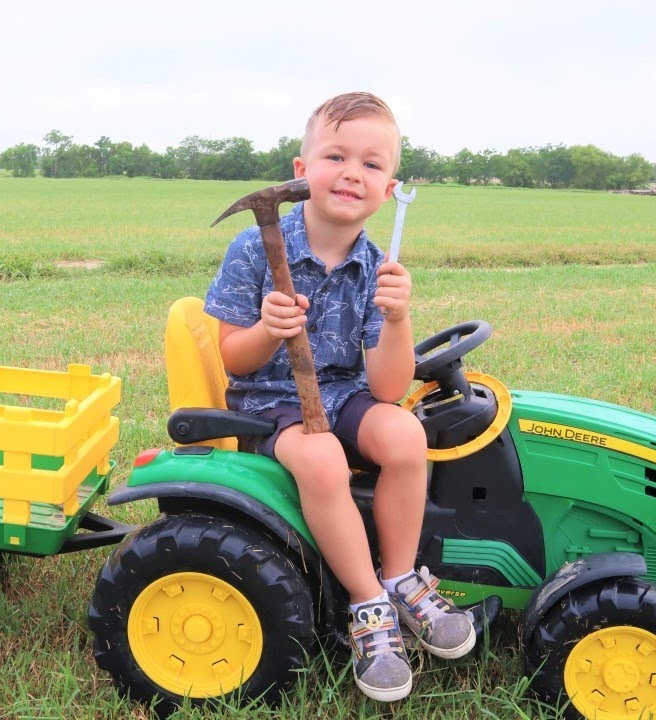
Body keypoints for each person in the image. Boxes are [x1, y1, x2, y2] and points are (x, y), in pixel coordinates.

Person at [204, 92, 477, 703]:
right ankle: (368, 604)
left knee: (406, 433)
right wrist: (265, 331)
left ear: (389, 189)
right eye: (335, 155)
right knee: (323, 457)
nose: (353, 171)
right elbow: (230, 356)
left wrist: (398, 318)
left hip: (343, 393)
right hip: (268, 401)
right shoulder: (255, 248)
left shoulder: (379, 266)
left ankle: (403, 577)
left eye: (372, 164)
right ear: (300, 173)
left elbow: (385, 389)